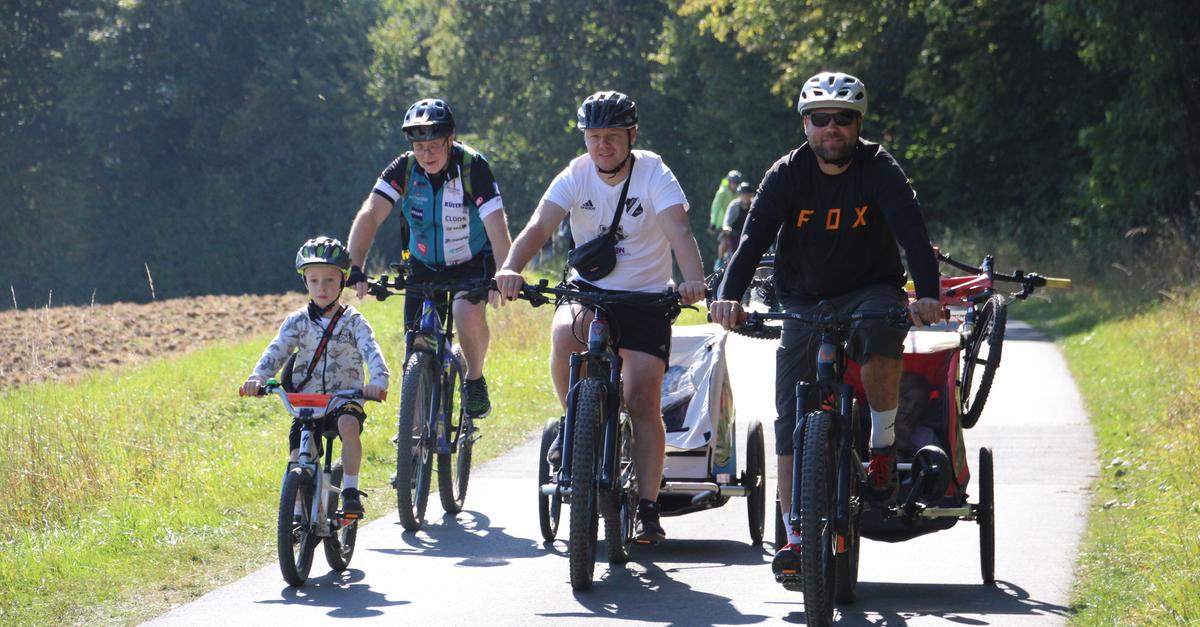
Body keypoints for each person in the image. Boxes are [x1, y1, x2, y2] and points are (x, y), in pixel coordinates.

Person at [707, 71, 941, 576]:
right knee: (790, 415)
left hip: (871, 289)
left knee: (882, 332)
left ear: (857, 124)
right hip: (804, 298)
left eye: (842, 119)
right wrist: (727, 297)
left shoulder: (880, 169)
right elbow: (750, 244)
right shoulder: (786, 174)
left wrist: (926, 295)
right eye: (819, 119)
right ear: (805, 124)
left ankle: (880, 445)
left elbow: (913, 237)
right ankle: (794, 534)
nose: (830, 128)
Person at [494, 90, 707, 543]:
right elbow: (539, 226)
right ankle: (576, 420)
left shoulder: (655, 173)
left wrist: (692, 282)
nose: (602, 146)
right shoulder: (575, 173)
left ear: (632, 136)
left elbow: (680, 231)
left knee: (643, 398)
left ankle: (648, 509)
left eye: (612, 137)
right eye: (593, 137)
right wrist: (511, 267)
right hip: (589, 291)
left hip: (646, 298)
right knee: (562, 334)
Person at [346, 98, 512, 418]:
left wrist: (504, 272)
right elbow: (371, 214)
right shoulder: (405, 168)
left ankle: (474, 378)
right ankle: (415, 434)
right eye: (420, 147)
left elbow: (496, 221)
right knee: (417, 343)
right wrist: (355, 266)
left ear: (450, 139)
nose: (427, 155)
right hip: (423, 263)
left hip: (471, 260)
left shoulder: (471, 166)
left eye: (435, 145)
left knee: (465, 313)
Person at [242, 236, 390, 518]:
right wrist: (258, 377)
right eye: (314, 280)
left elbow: (372, 352)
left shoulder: (354, 322)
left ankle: (349, 491)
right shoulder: (297, 321)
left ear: (343, 281)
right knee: (298, 455)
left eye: (329, 280)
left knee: (348, 423)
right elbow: (277, 350)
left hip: (344, 397)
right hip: (307, 402)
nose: (321, 288)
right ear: (305, 282)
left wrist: (378, 382)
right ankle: (296, 515)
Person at [717, 181, 754, 267]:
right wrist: (726, 227)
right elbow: (726, 221)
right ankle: (720, 261)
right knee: (723, 240)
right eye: (743, 194)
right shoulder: (734, 205)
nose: (745, 196)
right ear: (739, 195)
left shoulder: (754, 204)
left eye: (747, 194)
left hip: (749, 234)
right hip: (734, 234)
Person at [708, 169, 743, 236]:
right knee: (723, 244)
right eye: (733, 182)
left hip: (736, 224)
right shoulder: (722, 192)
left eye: (737, 183)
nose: (735, 185)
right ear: (729, 182)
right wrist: (713, 223)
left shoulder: (740, 193)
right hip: (722, 224)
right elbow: (716, 207)